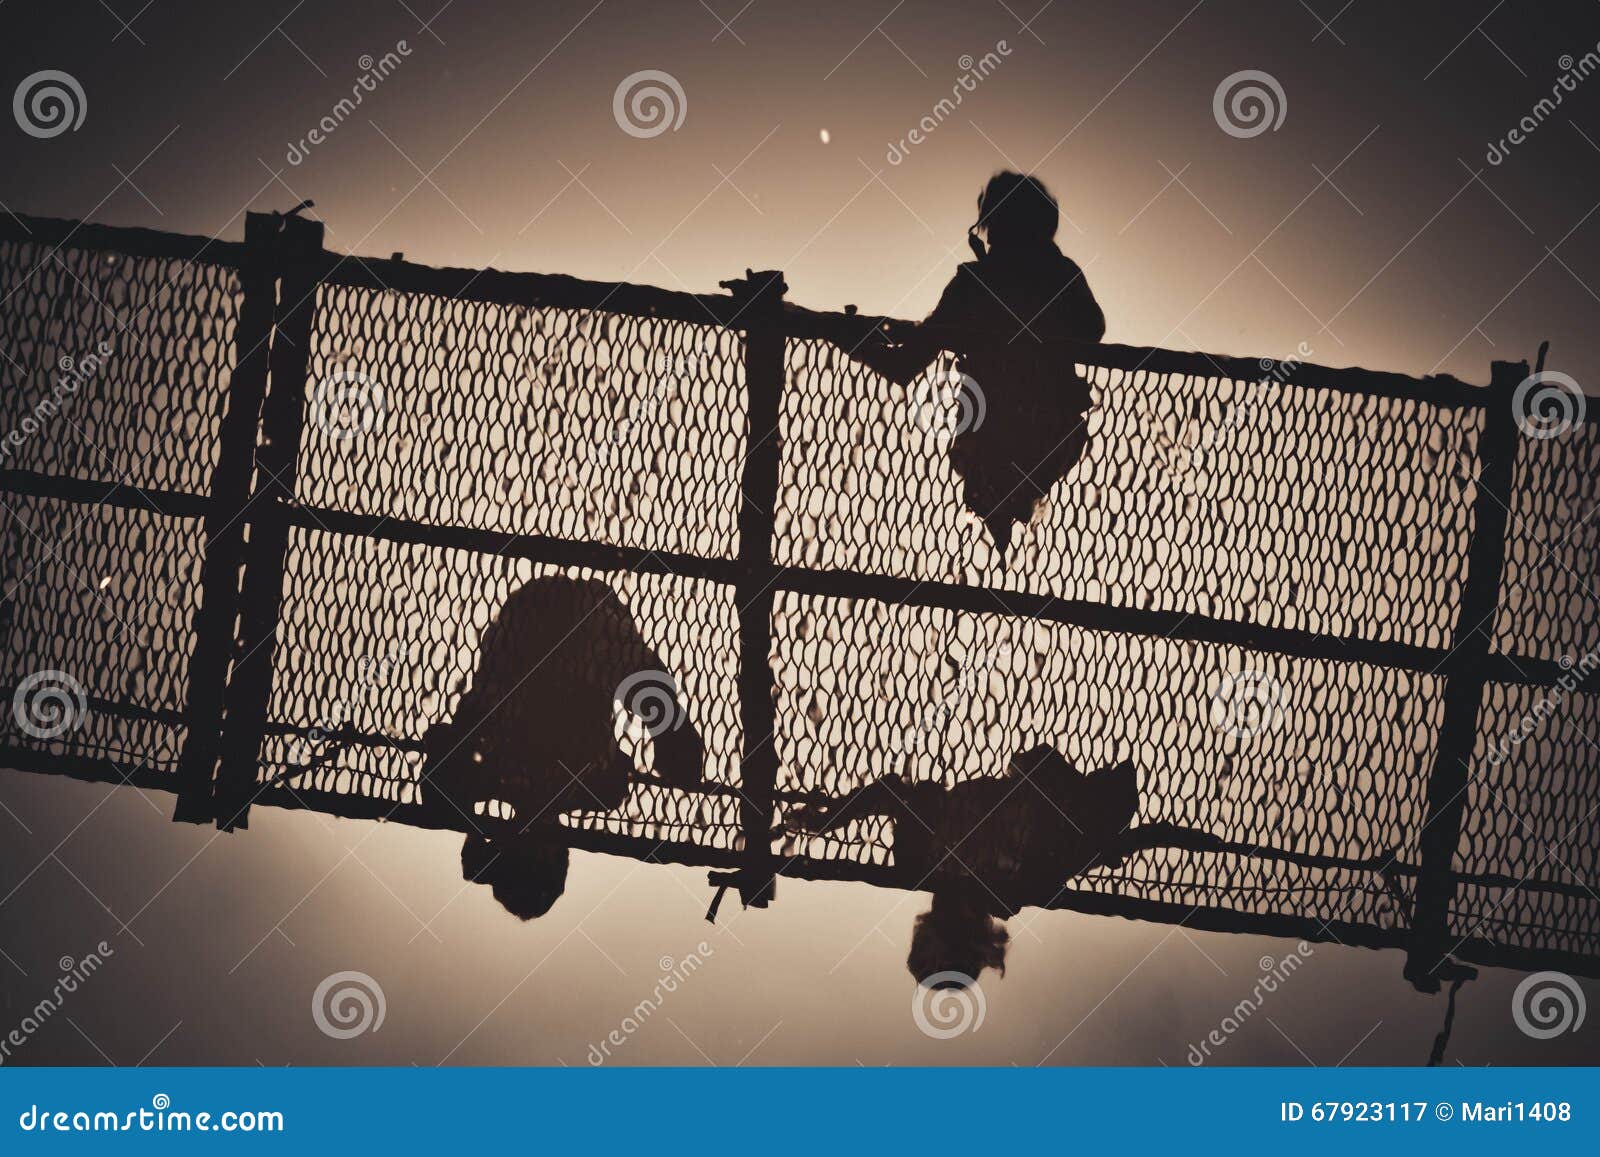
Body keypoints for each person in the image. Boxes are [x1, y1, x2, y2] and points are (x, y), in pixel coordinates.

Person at [824, 172, 1105, 561]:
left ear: (991, 226)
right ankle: (1009, 505)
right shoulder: (1061, 275)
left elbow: (905, 365)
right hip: (1052, 437)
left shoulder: (974, 284)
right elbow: (1092, 329)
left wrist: (849, 340)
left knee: (987, 454)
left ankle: (1000, 504)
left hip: (990, 436)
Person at [423, 575, 705, 919]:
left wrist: (467, 821)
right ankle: (666, 723)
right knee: (622, 689)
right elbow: (450, 745)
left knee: (503, 704)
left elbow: (448, 748)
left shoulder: (500, 781)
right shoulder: (590, 790)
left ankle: (666, 723)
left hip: (543, 636)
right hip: (570, 636)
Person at [789, 744, 1138, 987]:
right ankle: (1099, 805)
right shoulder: (1009, 892)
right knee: (1090, 821)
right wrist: (830, 820)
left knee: (1085, 815)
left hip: (1044, 787)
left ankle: (1099, 805)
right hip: (1054, 794)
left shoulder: (922, 865)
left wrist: (830, 820)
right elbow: (895, 795)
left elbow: (895, 795)